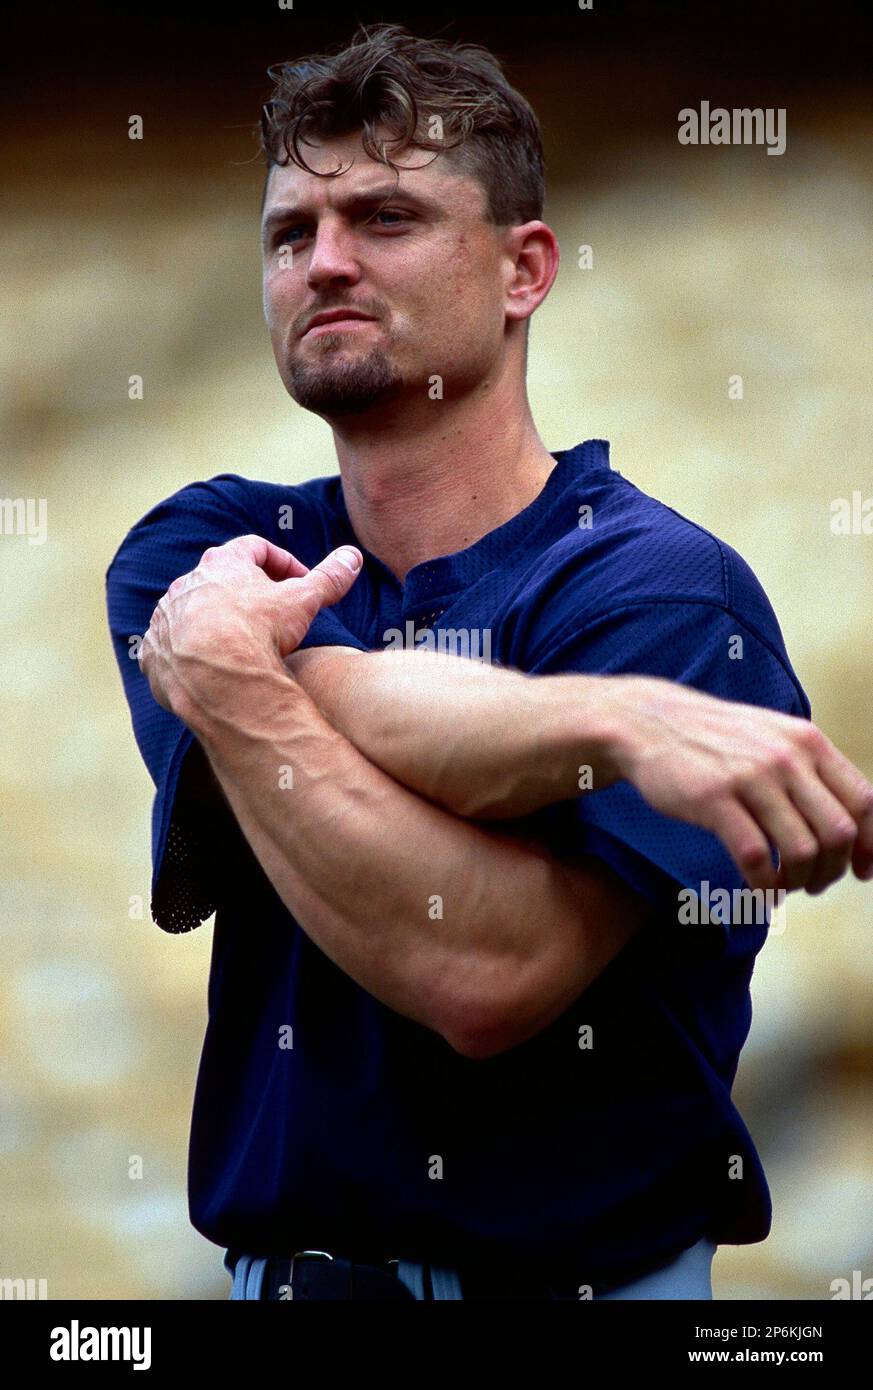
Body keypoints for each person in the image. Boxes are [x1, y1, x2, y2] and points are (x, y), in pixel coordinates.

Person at [105, 22, 873, 1301]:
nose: (326, 262)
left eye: (389, 218)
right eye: (291, 233)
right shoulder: (199, 548)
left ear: (526, 270)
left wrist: (242, 681)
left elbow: (483, 970)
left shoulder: (668, 595)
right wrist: (615, 725)